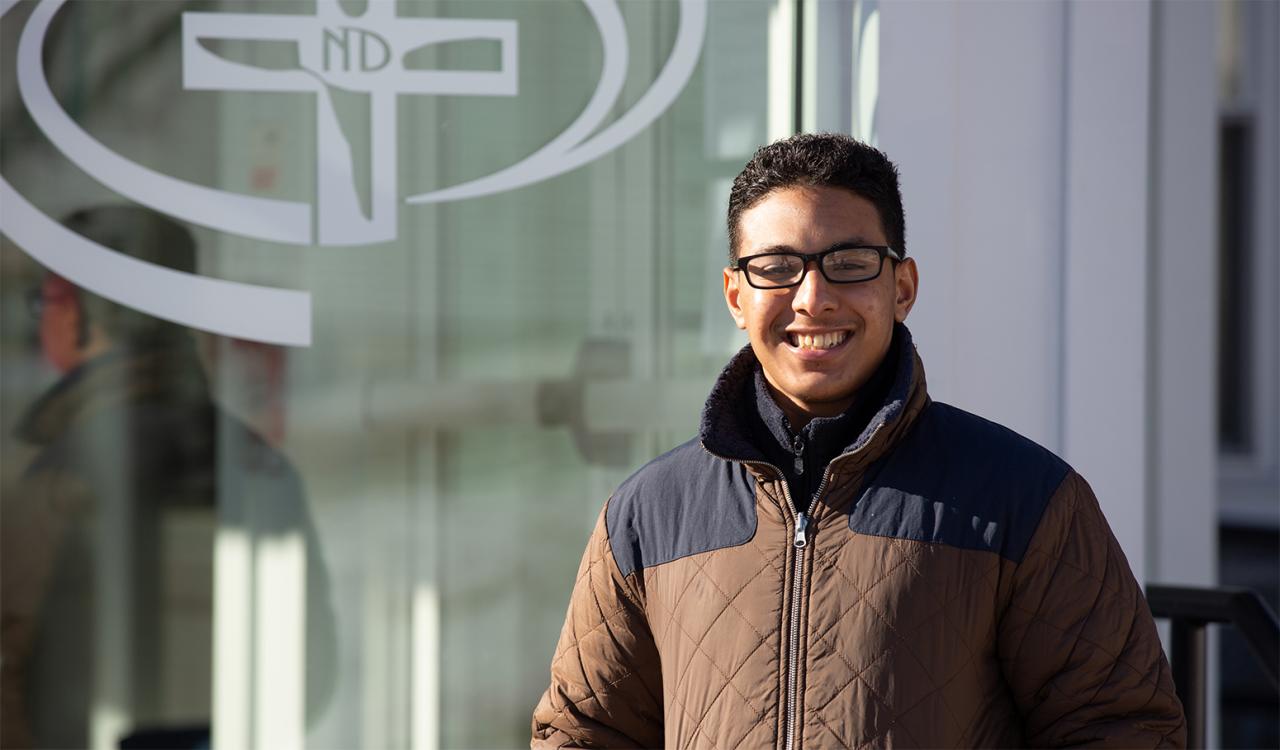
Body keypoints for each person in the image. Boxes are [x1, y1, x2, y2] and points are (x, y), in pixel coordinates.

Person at [531, 134, 1186, 748]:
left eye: (847, 263)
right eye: (777, 266)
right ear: (736, 295)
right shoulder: (649, 514)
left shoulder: (1026, 500)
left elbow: (1121, 728)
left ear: (901, 287)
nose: (813, 297)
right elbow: (581, 733)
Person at [1, 206, 336, 749]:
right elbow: (311, 674)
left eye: (48, 301)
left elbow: (11, 672)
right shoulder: (258, 464)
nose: (42, 322)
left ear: (84, 313)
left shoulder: (58, 477)